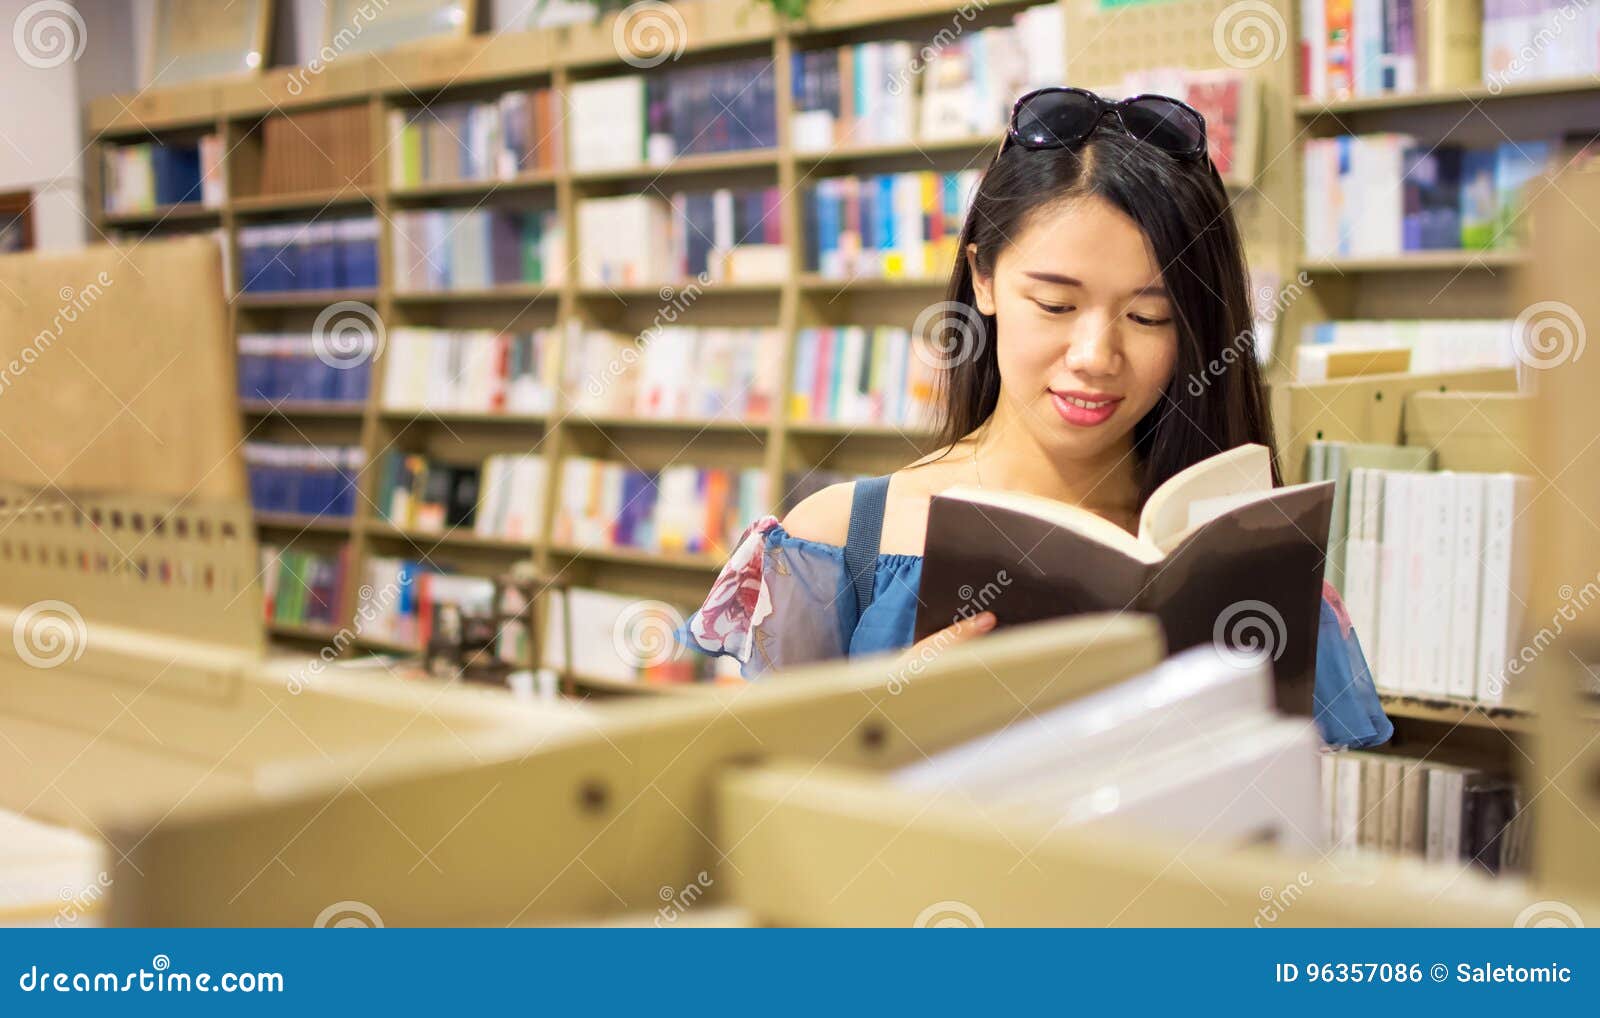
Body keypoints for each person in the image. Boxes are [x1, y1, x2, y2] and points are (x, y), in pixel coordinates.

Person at [675, 87, 1391, 749]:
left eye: (1150, 316)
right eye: (1054, 305)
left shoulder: (1239, 557)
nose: (1094, 356)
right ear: (983, 278)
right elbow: (757, 821)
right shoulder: (835, 543)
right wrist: (884, 725)